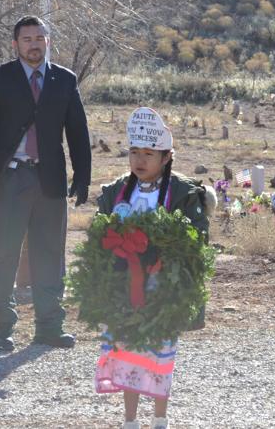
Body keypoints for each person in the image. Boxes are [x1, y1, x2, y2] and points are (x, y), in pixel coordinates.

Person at [0, 15, 91, 350]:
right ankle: (3, 326)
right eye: (27, 39)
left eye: (39, 38)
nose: (34, 44)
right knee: (1, 251)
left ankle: (49, 326)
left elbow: (77, 131)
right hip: (9, 177)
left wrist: (82, 176)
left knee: (50, 254)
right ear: (16, 44)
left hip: (49, 179)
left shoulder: (64, 79)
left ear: (47, 41)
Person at [95, 107, 215, 429]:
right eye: (134, 152)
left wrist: (162, 256)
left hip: (162, 289)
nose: (140, 160)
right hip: (124, 288)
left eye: (149, 154)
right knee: (127, 351)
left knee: (160, 353)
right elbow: (99, 232)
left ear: (166, 157)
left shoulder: (183, 193)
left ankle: (160, 418)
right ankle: (130, 420)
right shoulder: (117, 191)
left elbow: (196, 239)